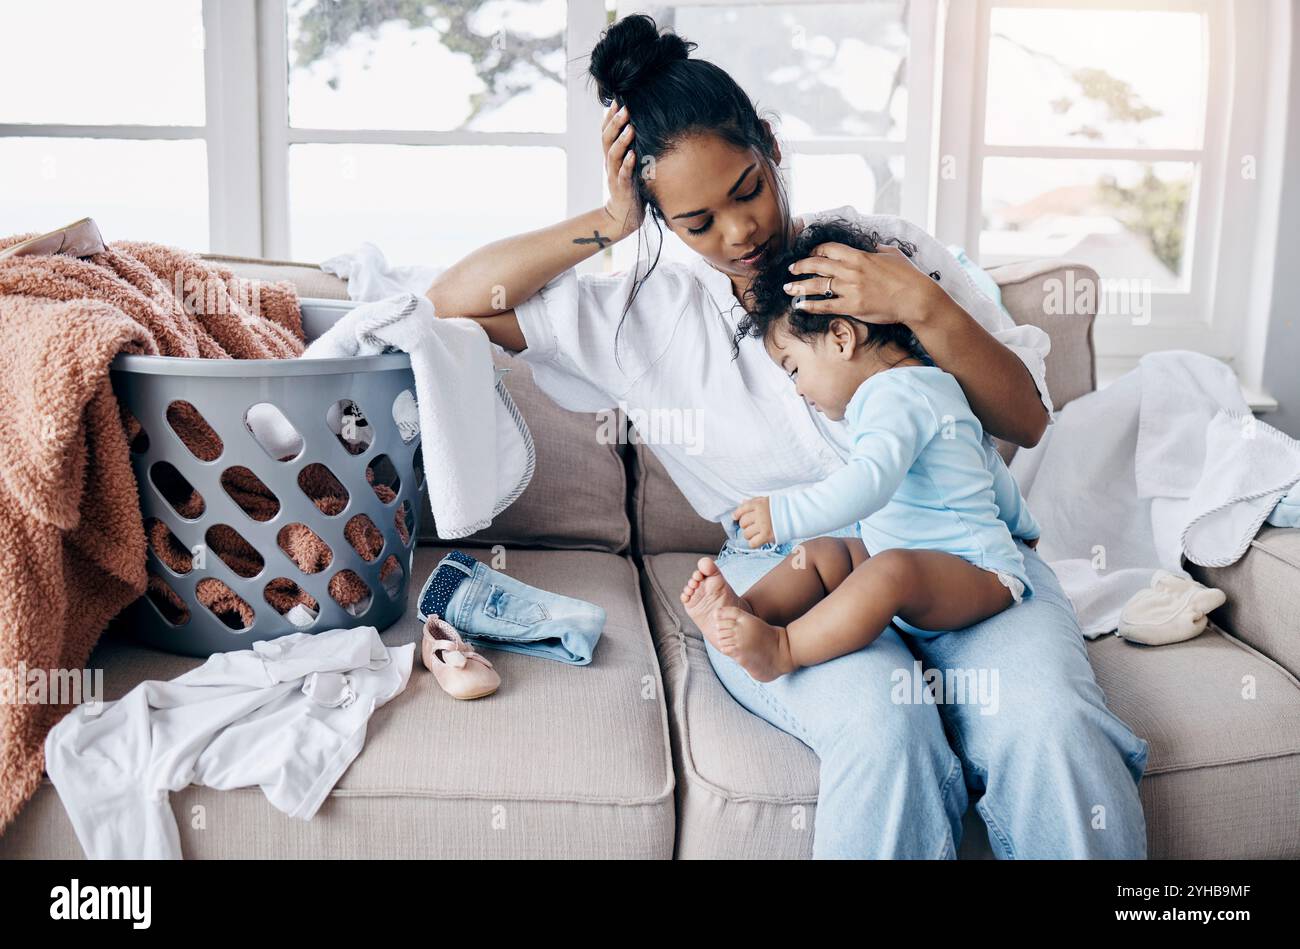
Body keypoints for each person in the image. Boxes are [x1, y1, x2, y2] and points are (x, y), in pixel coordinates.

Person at [426, 13, 1149, 858]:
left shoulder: (886, 254)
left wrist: (922, 305)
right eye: (695, 221)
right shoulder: (634, 316)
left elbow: (1026, 416)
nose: (739, 233)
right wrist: (611, 222)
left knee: (1053, 727)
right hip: (792, 571)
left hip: (961, 547)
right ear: (661, 217)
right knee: (884, 734)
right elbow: (455, 301)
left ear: (770, 147)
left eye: (746, 189)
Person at [680, 217, 1041, 684]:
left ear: (841, 338)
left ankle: (783, 648)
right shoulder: (925, 386)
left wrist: (784, 514)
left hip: (978, 576)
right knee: (823, 556)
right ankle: (746, 612)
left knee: (889, 570)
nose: (797, 389)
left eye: (793, 368)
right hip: (920, 565)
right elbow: (987, 466)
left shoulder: (898, 395)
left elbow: (868, 484)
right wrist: (1023, 523)